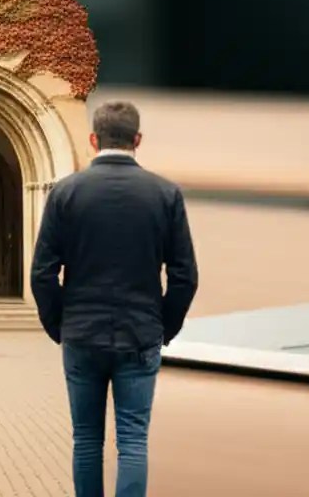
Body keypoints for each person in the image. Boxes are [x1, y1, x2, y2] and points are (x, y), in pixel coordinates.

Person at [31, 100, 199, 497]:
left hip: (81, 334)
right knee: (133, 442)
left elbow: (41, 273)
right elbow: (184, 276)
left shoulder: (65, 194)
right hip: (140, 334)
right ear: (137, 140)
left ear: (94, 139)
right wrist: (164, 326)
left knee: (86, 440)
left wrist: (60, 325)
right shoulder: (165, 194)